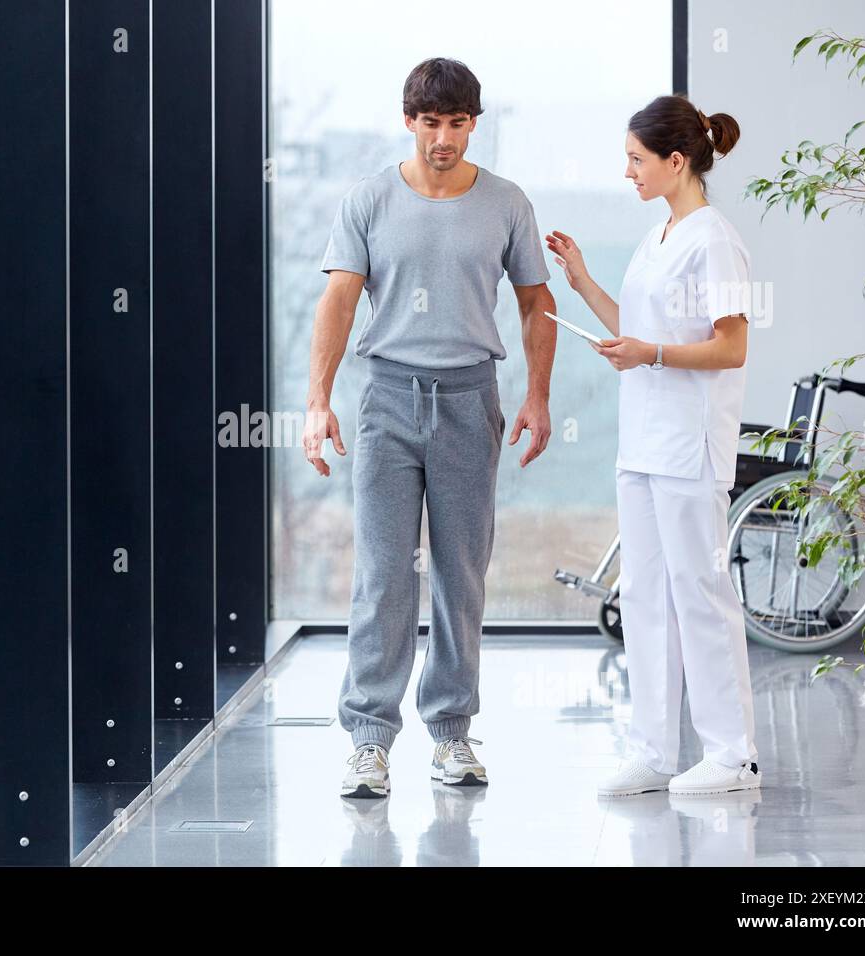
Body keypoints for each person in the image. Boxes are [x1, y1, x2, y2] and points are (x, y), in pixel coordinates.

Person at [303, 57, 557, 798]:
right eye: (430, 123)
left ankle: (451, 735)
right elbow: (339, 303)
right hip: (387, 400)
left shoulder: (507, 203)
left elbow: (536, 303)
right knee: (382, 577)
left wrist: (537, 397)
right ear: (408, 120)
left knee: (460, 575)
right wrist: (318, 399)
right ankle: (370, 742)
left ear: (473, 123)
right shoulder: (370, 199)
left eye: (457, 123)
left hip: (470, 400)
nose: (443, 138)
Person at [546, 94, 761, 797]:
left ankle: (733, 756)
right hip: (640, 443)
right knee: (642, 594)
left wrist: (652, 355)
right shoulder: (658, 235)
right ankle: (656, 750)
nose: (629, 172)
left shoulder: (714, 238)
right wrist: (580, 283)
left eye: (638, 160)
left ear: (677, 161)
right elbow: (635, 327)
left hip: (689, 444)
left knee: (699, 591)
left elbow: (730, 348)